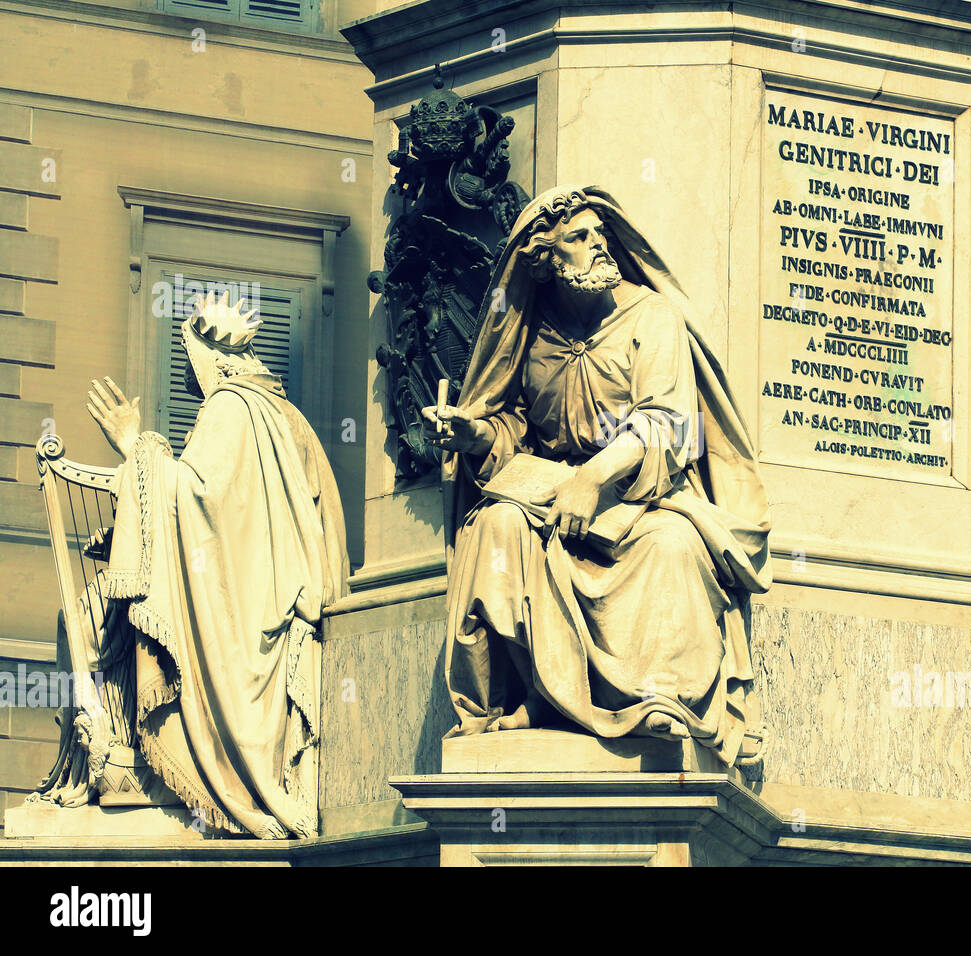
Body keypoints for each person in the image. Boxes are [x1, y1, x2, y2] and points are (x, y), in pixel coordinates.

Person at [426, 185, 771, 766]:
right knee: (496, 527)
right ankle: (536, 695)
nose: (600, 246)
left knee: (669, 545)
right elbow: (518, 425)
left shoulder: (651, 316)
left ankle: (660, 694)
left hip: (641, 494)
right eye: (580, 237)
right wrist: (477, 435)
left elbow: (667, 422)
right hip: (547, 493)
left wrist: (592, 479)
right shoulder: (531, 332)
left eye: (601, 234)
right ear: (546, 259)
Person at [30, 290, 348, 837]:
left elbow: (200, 500)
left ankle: (111, 762)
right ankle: (106, 759)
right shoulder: (284, 416)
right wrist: (133, 532)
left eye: (189, 361)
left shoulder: (231, 407)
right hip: (267, 606)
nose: (186, 378)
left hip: (243, 624)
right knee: (90, 617)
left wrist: (135, 445)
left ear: (213, 357)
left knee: (81, 621)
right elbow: (231, 523)